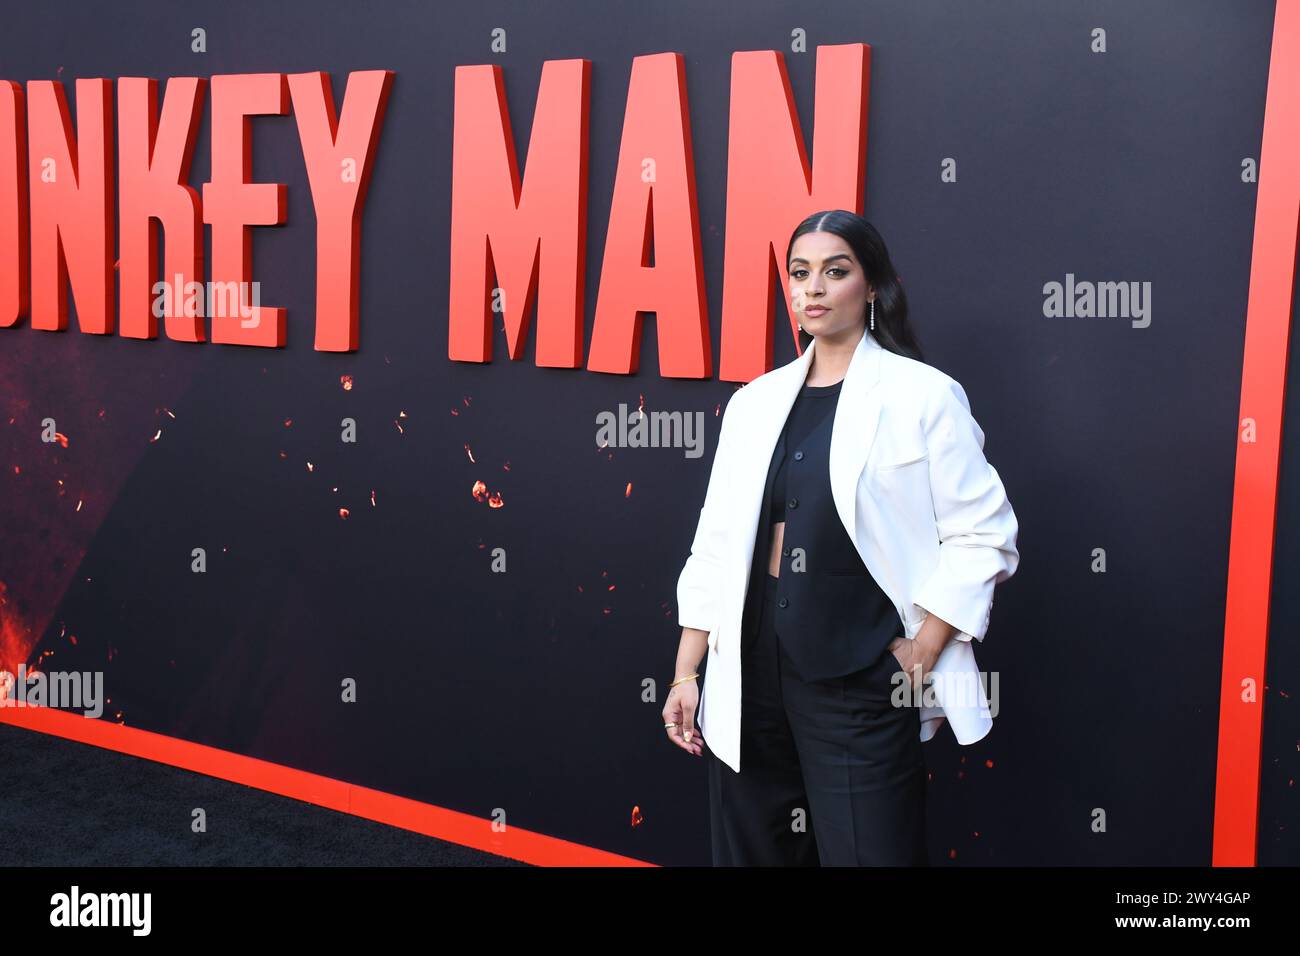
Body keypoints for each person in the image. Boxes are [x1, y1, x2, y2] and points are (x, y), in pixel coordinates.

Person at [662, 209, 1020, 866]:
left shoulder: (924, 396)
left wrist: (920, 654)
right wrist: (688, 671)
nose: (814, 289)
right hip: (749, 667)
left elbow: (983, 534)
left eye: (836, 271)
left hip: (862, 674)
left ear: (873, 286)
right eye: (801, 273)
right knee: (755, 852)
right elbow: (713, 545)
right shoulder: (755, 403)